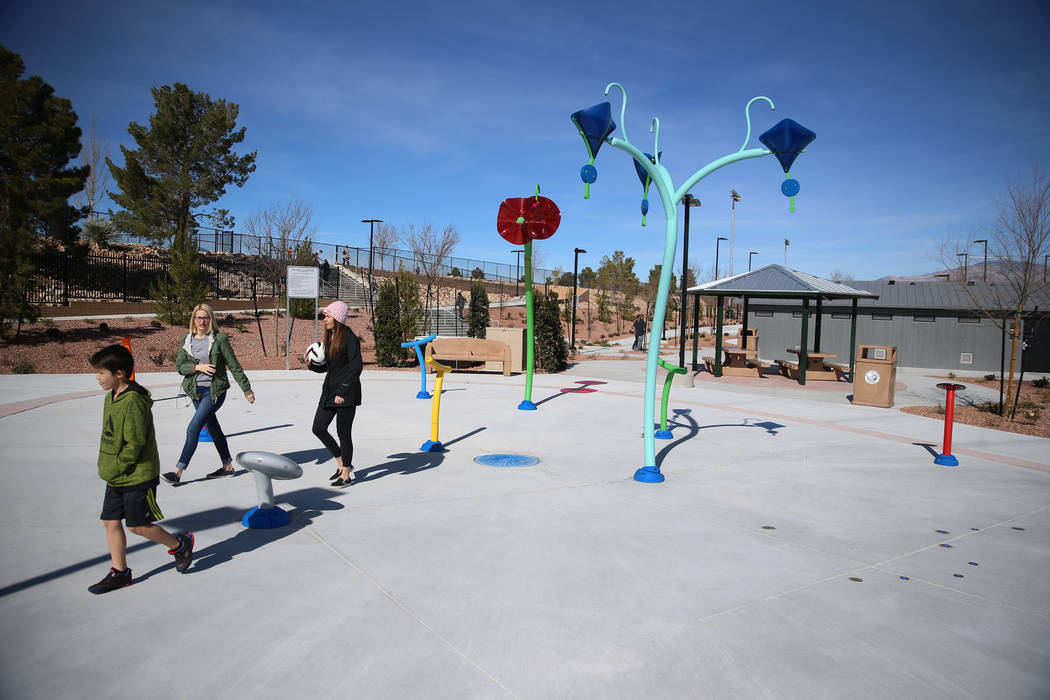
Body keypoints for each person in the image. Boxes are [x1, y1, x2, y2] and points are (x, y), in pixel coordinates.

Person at [88, 345, 194, 593]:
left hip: (137, 474)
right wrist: (108, 465)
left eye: (101, 372)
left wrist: (117, 466)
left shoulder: (134, 401)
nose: (97, 377)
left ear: (119, 373)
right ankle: (120, 572)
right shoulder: (111, 397)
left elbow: (134, 443)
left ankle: (179, 545)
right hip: (116, 474)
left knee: (138, 526)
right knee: (110, 521)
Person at [162, 304, 255, 485]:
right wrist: (197, 367)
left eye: (206, 317)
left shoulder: (219, 339)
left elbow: (233, 365)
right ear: (194, 320)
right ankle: (227, 466)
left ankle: (178, 471)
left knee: (193, 428)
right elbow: (180, 367)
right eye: (199, 317)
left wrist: (246, 389)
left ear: (211, 319)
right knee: (213, 428)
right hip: (195, 392)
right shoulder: (186, 339)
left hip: (214, 393)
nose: (202, 321)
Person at [308, 301, 362, 488]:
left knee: (343, 433)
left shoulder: (349, 337)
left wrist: (343, 391)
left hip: (346, 393)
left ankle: (346, 474)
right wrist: (312, 365)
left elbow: (356, 367)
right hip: (330, 391)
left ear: (337, 318)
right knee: (318, 428)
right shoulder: (331, 337)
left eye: (328, 316)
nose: (325, 319)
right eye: (325, 316)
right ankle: (341, 462)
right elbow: (331, 367)